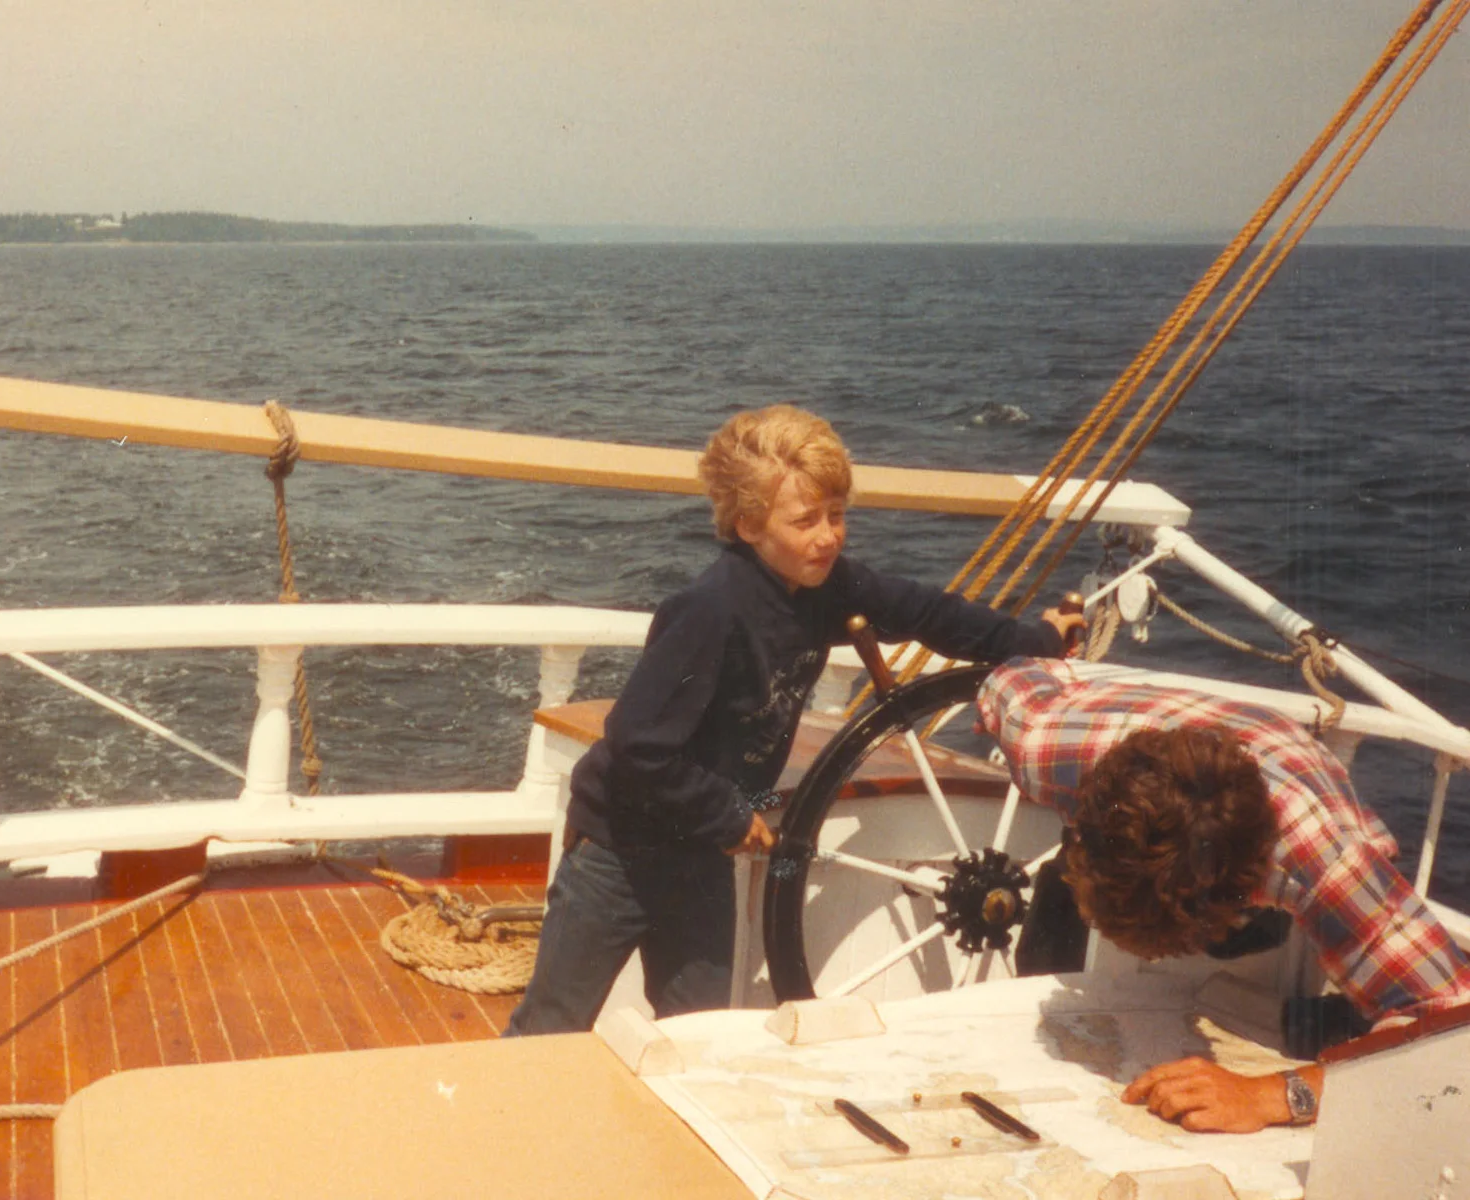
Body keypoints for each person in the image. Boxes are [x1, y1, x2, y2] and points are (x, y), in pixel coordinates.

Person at [504, 405, 1084, 1036]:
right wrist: (728, 816)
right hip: (618, 851)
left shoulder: (823, 586)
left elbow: (926, 612)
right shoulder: (708, 611)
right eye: (806, 521)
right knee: (552, 1025)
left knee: (699, 1032)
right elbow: (638, 747)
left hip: (699, 858)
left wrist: (1032, 639)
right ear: (749, 525)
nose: (828, 536)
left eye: (837, 515)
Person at [978, 656, 1470, 1133]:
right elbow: (1010, 678)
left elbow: (1454, 1031)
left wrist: (1275, 1095)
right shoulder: (1047, 749)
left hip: (1293, 769)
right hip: (1159, 723)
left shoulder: (1320, 859)